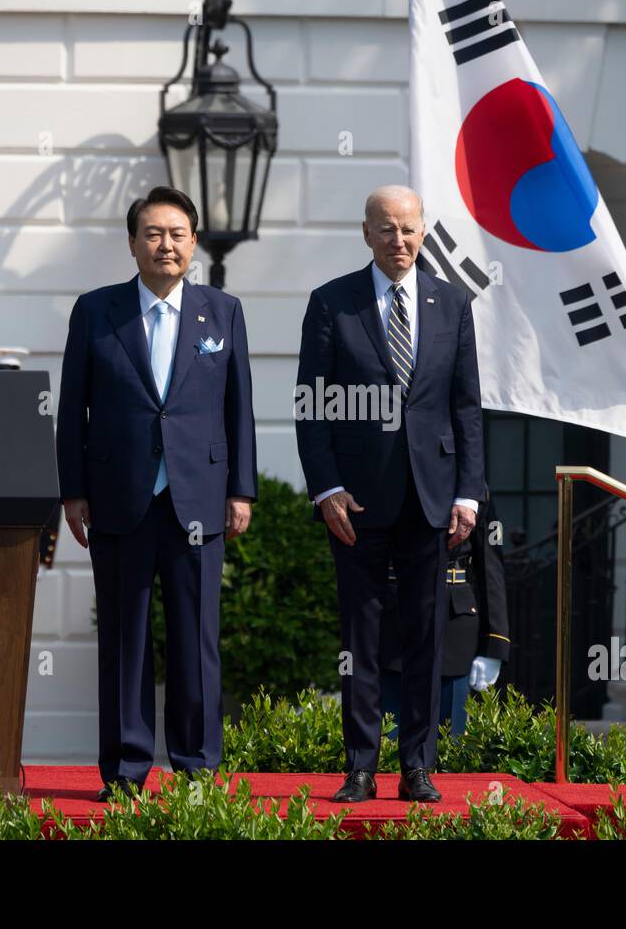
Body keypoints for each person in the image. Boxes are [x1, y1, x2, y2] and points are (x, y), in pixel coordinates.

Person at [55, 186, 258, 801]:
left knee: (197, 640)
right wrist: (73, 492)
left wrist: (241, 490)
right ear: (133, 242)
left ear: (193, 241)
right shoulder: (96, 311)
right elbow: (73, 410)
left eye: (176, 233)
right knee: (124, 637)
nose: (164, 244)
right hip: (119, 498)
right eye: (152, 233)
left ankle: (197, 766)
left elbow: (239, 408)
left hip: (200, 498)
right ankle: (125, 771)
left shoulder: (222, 311)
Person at [295, 185, 484, 803]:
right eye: (385, 229)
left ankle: (418, 766)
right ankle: (359, 766)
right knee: (362, 638)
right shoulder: (332, 303)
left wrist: (469, 495)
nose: (398, 241)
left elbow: (465, 407)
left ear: (422, 232)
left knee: (426, 638)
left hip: (433, 500)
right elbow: (312, 406)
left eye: (408, 229)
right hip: (357, 503)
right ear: (366, 233)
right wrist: (326, 488)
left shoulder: (452, 303)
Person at [380, 489, 510, 739]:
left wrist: (496, 643)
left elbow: (491, 569)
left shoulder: (472, 488)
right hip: (394, 619)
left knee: (449, 745)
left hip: (454, 626)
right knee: (389, 742)